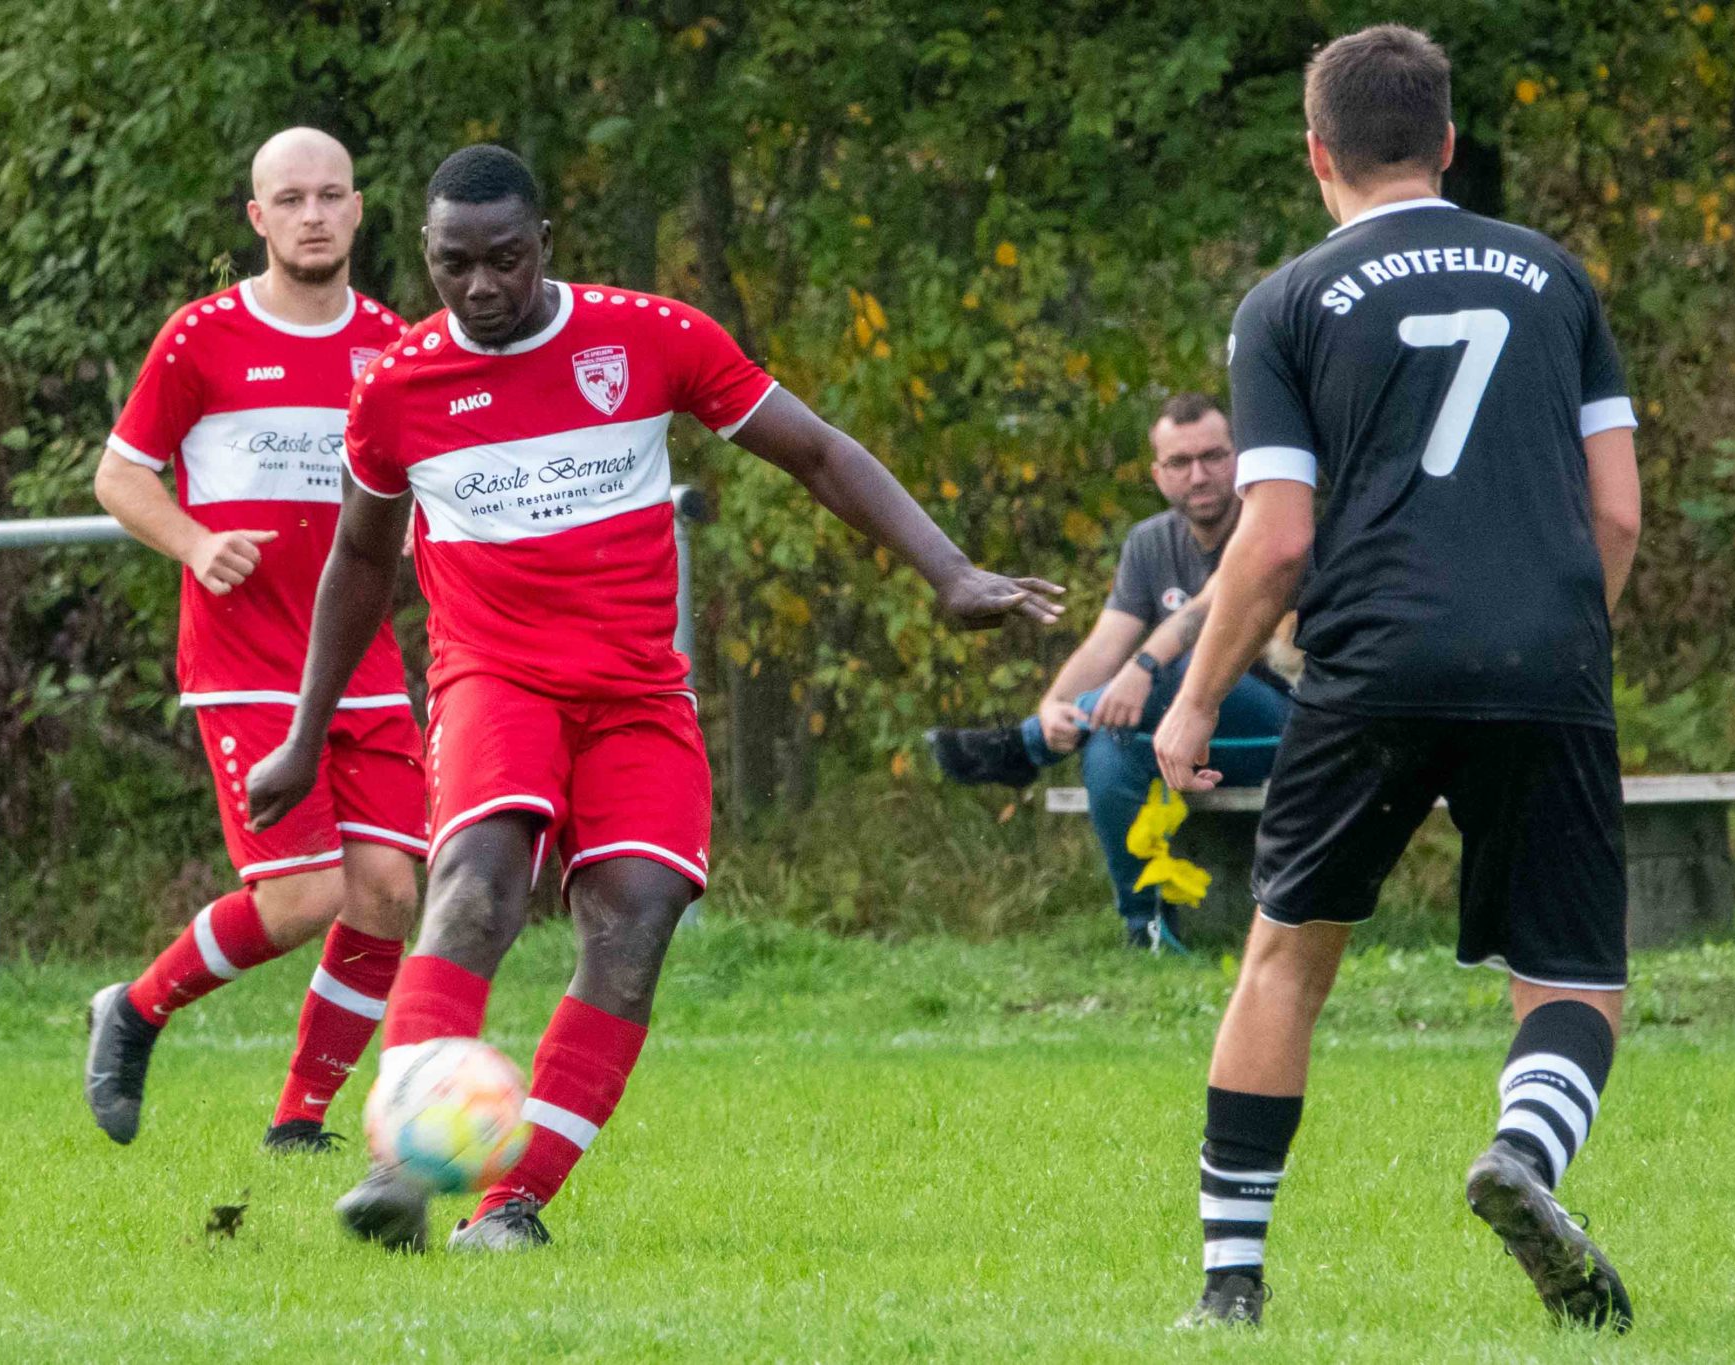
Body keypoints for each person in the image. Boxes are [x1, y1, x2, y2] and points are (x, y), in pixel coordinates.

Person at [245, 144, 1063, 1254]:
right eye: (452, 265)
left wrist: (949, 569)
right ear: (426, 257)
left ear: (545, 245)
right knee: (478, 881)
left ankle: (512, 1204)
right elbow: (355, 559)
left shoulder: (647, 336)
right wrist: (304, 735)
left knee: (635, 922)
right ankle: (399, 1168)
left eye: (503, 260)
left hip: (636, 693)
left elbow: (816, 453)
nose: (480, 288)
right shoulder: (394, 385)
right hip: (498, 680)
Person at [1151, 25, 1643, 1332]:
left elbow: (1278, 537)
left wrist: (1193, 701)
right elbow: (1622, 514)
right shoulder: (1559, 281)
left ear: (1318, 152)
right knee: (1575, 973)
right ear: (1449, 145)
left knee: (1284, 962)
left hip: (1371, 663)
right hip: (1546, 651)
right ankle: (1524, 1157)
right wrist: (1555, 640)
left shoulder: (1288, 302)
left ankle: (1231, 1287)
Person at [84, 128, 426, 1154]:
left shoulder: (398, 345)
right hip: (243, 666)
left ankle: (299, 1122)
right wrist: (193, 541)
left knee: (389, 893)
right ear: (258, 216)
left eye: (330, 196)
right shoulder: (200, 337)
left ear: (359, 210)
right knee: (302, 897)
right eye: (291, 199)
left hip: (362, 660)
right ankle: (136, 1010)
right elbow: (119, 475)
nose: (312, 214)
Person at [925, 394, 1296, 952]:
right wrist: (1054, 706)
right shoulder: (1150, 543)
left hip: (1280, 728)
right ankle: (1145, 930)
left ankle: (1020, 751)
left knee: (1191, 669)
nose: (1199, 475)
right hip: (1187, 740)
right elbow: (1107, 643)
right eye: (1180, 462)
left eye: (1214, 456)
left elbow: (1206, 611)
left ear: (1240, 456)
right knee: (1108, 748)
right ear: (1157, 473)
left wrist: (1144, 668)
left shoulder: (1273, 523)